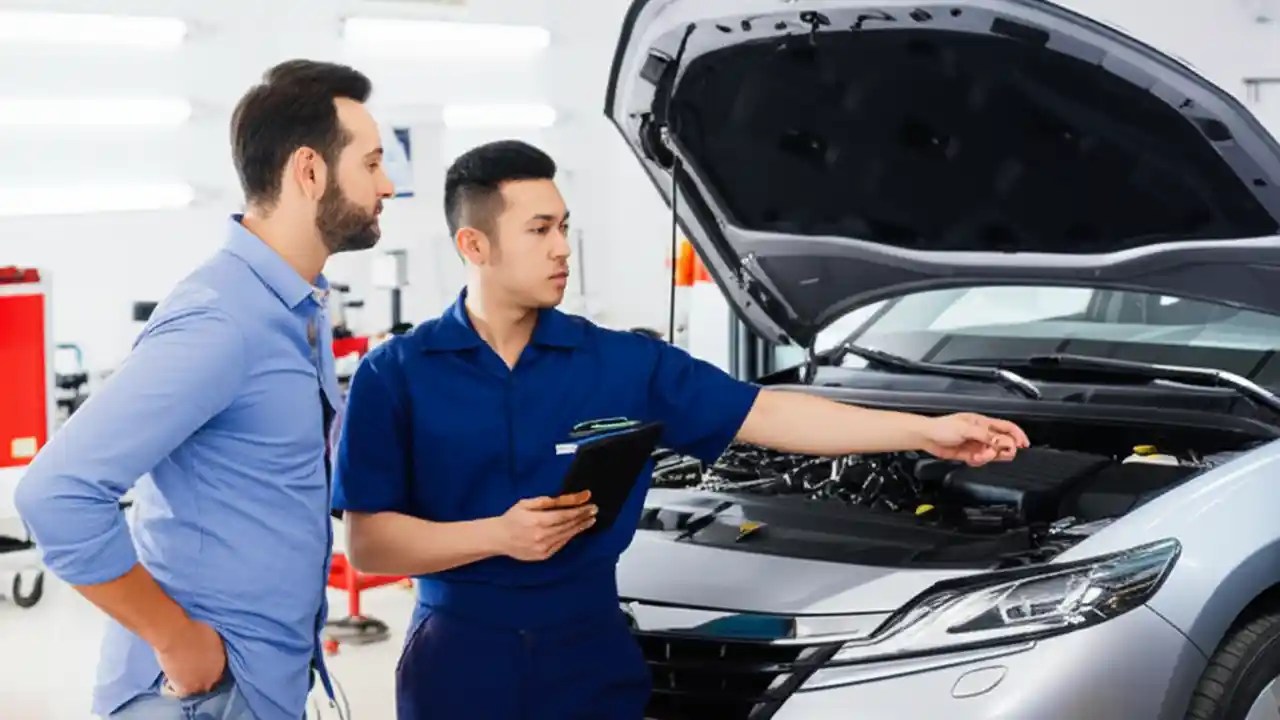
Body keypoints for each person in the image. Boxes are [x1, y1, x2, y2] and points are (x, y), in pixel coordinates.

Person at [330, 140, 1029, 719]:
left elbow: (767, 412)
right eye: (539, 230)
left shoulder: (623, 363)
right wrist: (498, 536)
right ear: (474, 245)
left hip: (587, 648)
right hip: (460, 657)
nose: (562, 248)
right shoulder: (396, 375)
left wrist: (922, 431)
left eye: (564, 226)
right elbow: (369, 544)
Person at [14, 59, 395, 720]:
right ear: (309, 171)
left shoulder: (294, 309)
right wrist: (174, 637)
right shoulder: (224, 319)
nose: (387, 185)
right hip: (206, 695)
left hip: (261, 682)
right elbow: (55, 493)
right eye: (372, 163)